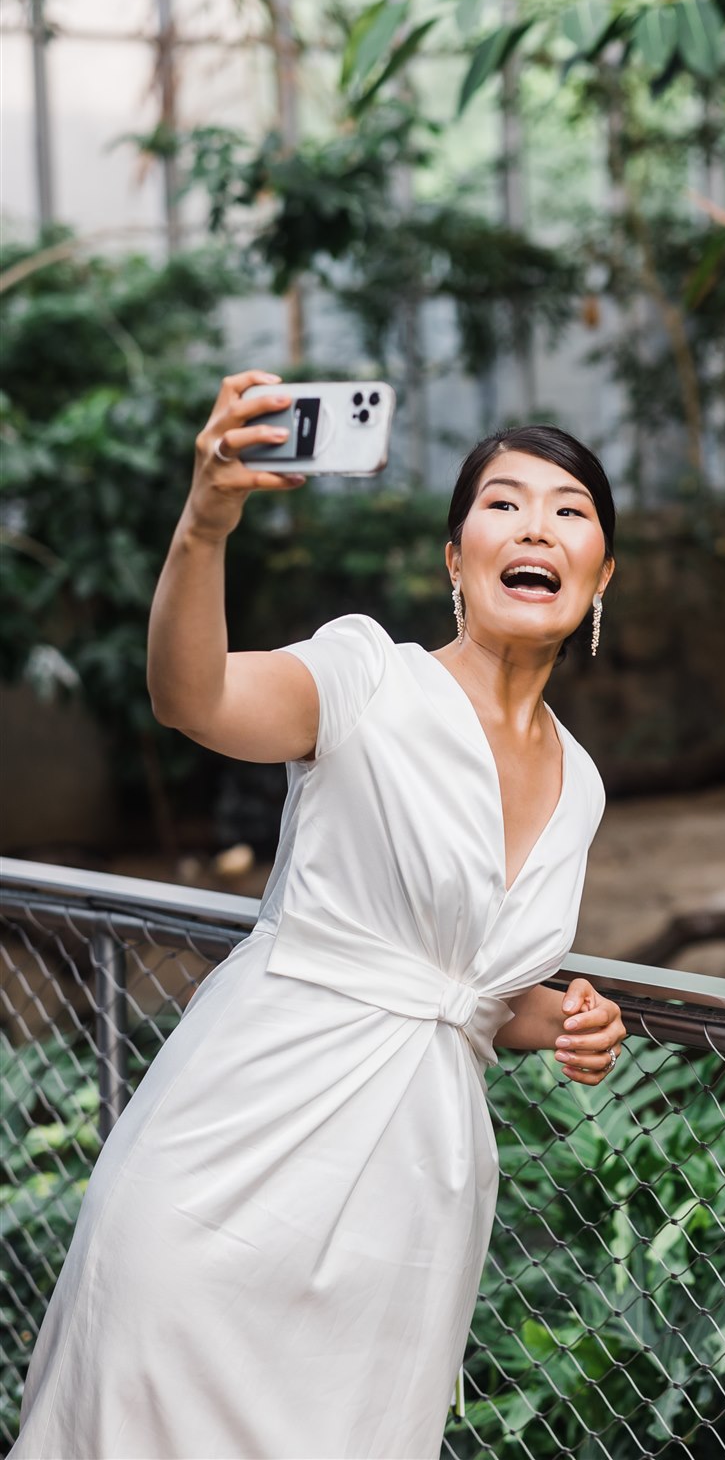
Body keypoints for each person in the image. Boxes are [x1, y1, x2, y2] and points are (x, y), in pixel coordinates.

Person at [14, 369, 628, 1460]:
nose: (537, 522)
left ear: (602, 573)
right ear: (455, 559)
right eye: (503, 501)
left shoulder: (581, 782)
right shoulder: (366, 677)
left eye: (569, 508)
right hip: (235, 1159)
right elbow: (190, 696)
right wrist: (208, 521)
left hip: (409, 1218)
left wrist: (566, 1018)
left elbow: (467, 990)